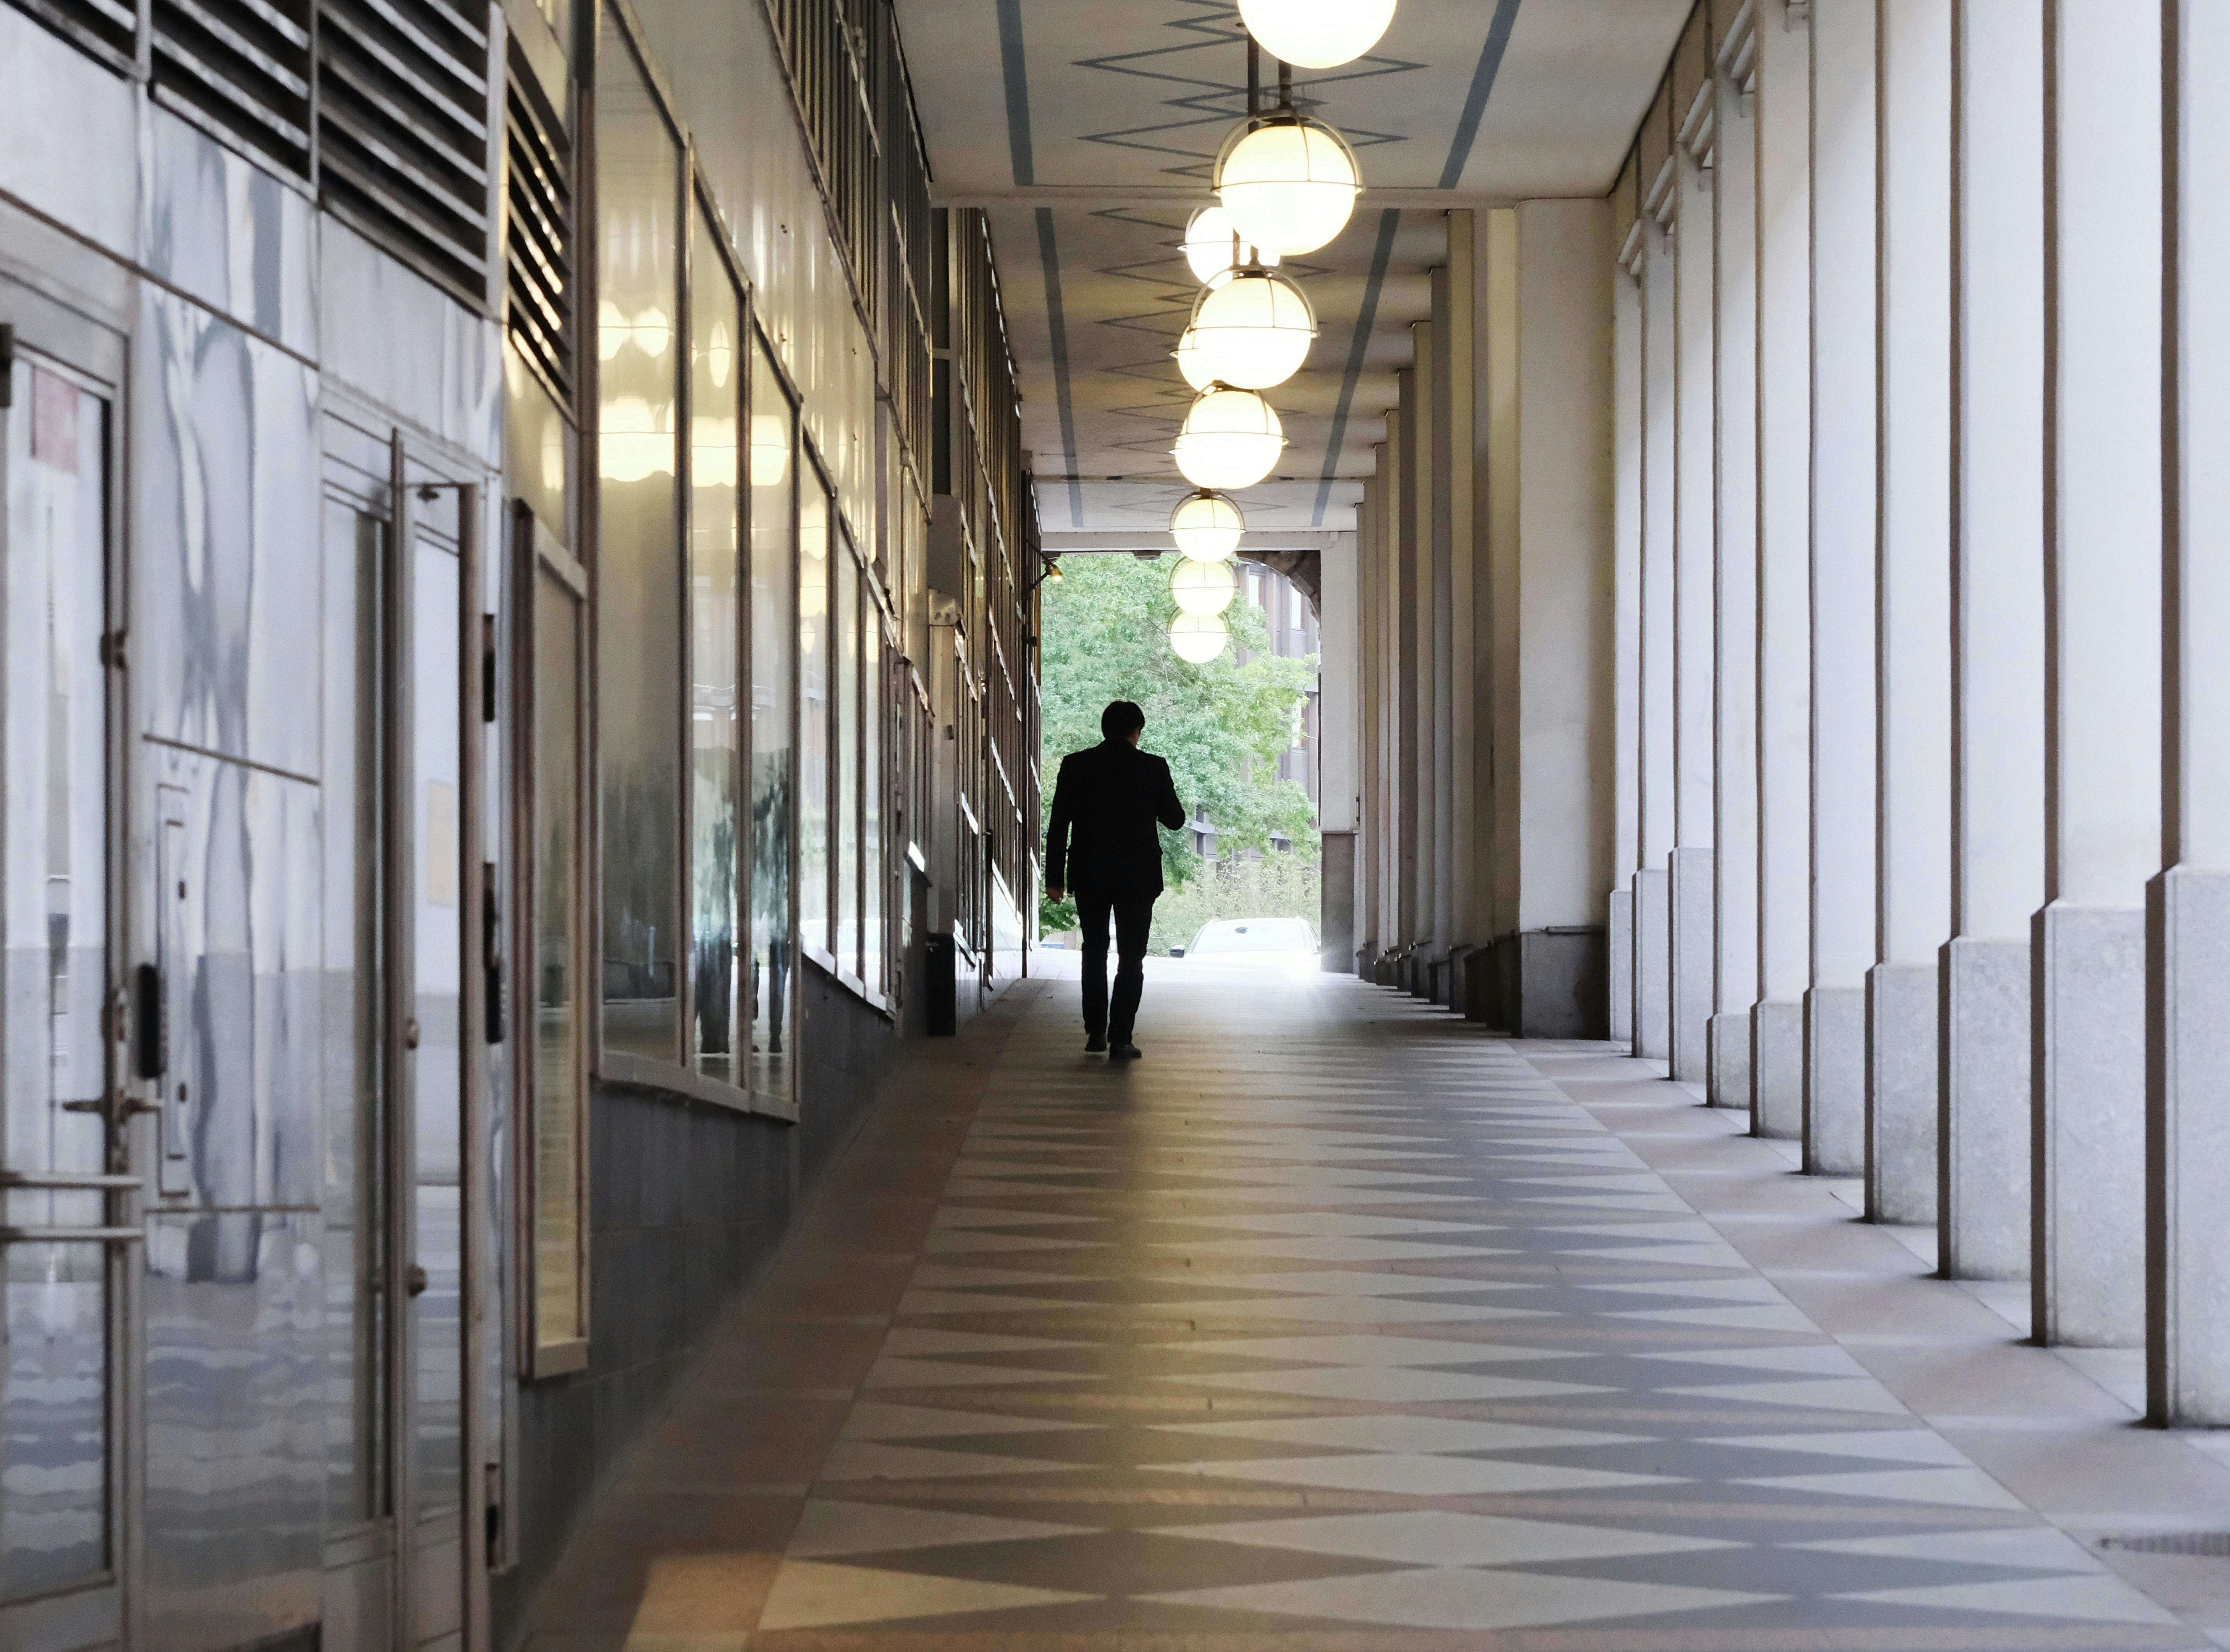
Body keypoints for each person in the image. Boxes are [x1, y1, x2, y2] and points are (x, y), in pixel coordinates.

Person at [1044, 700, 1186, 1060]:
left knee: (1093, 951)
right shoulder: (1153, 767)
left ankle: (1095, 1033)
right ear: (1136, 731)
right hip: (1137, 877)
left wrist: (1054, 879)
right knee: (1131, 957)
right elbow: (1176, 820)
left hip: (1090, 872)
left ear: (1105, 728)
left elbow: (1059, 824)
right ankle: (1121, 1036)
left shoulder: (1075, 766)